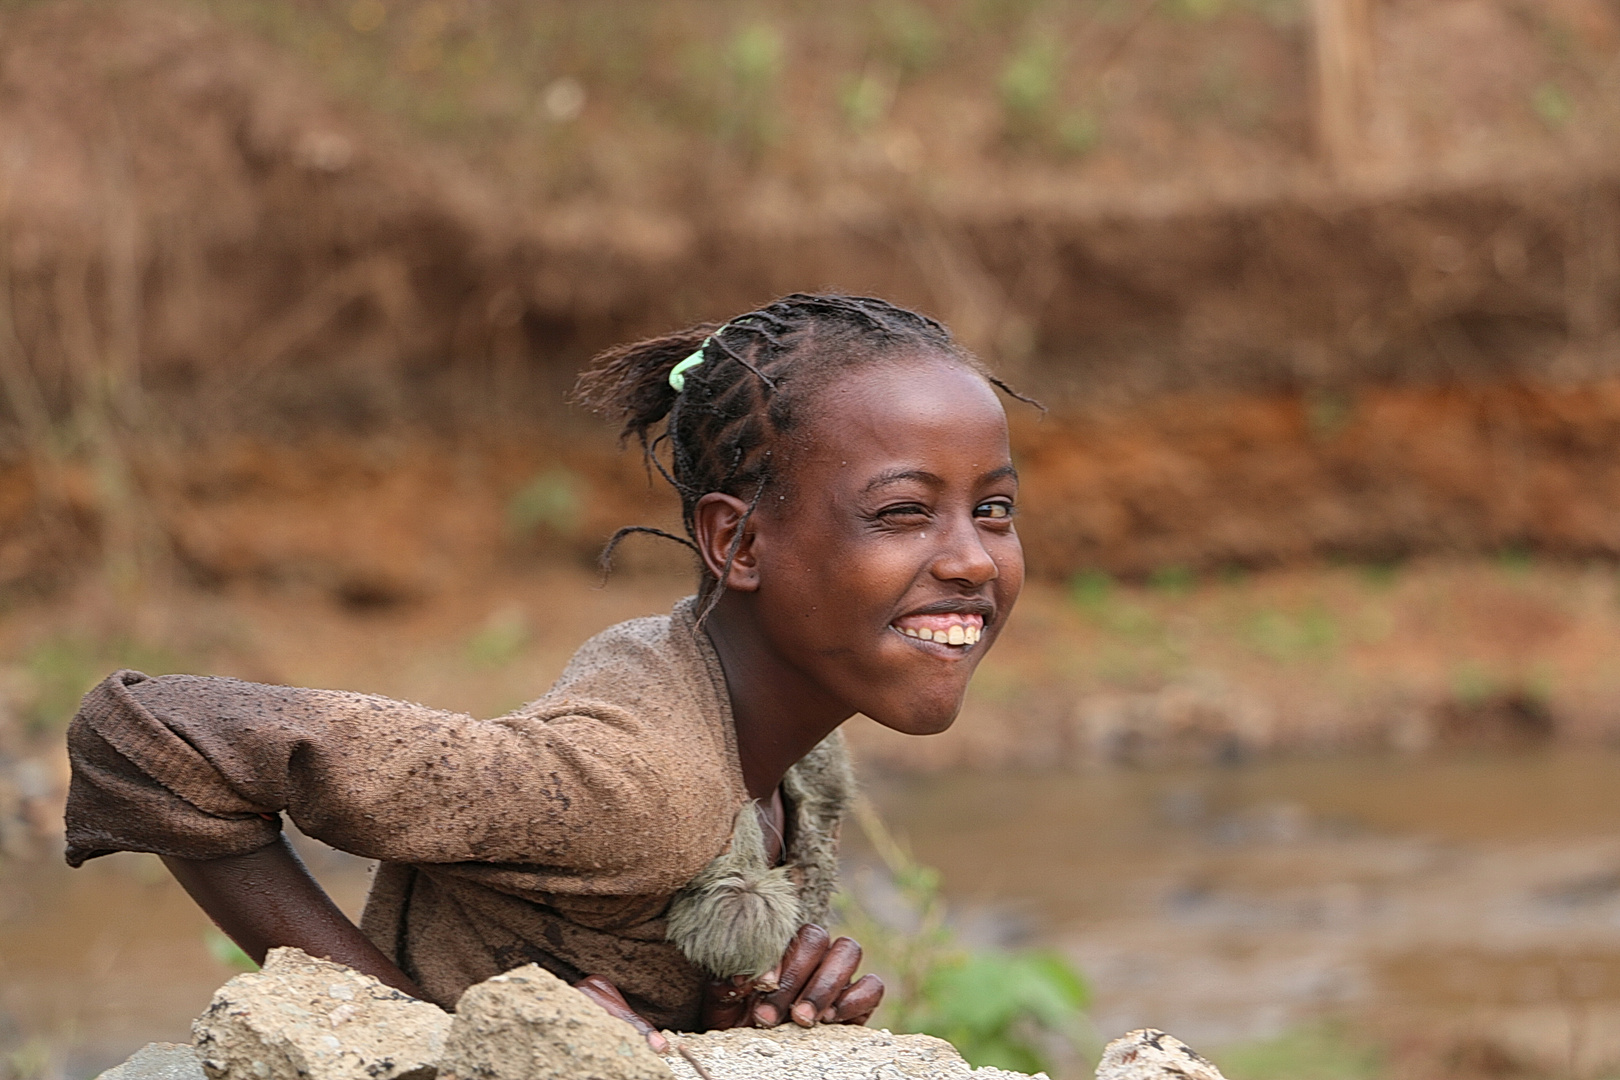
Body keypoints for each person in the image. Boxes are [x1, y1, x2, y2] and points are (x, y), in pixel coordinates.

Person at [63, 292, 1031, 1045]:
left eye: (992, 509)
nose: (974, 560)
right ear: (737, 541)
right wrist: (427, 1041)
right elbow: (150, 734)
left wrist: (731, 1020)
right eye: (902, 512)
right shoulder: (636, 788)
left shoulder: (796, 761)